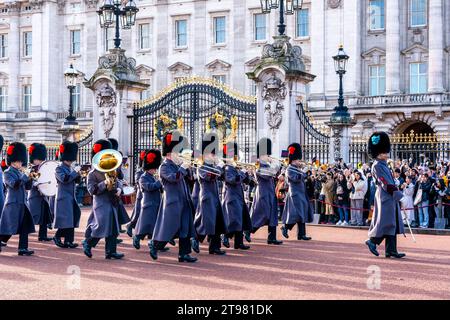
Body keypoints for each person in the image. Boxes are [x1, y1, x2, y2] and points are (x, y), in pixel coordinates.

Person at [149, 131, 197, 263]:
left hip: (184, 200)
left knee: (185, 229)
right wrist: (183, 168)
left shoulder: (177, 165)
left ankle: (184, 254)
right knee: (168, 228)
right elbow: (173, 178)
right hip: (172, 202)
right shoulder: (164, 167)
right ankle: (155, 244)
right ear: (171, 152)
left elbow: (190, 179)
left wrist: (189, 169)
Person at [365, 132, 406, 259]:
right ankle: (372, 241)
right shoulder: (377, 165)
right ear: (378, 152)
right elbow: (386, 183)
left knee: (392, 223)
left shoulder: (383, 164)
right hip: (385, 197)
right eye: (384, 151)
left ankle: (391, 250)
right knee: (387, 223)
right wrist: (399, 195)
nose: (386, 154)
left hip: (390, 196)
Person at [83, 139, 125, 259]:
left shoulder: (114, 169)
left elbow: (119, 181)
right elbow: (92, 190)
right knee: (101, 226)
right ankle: (88, 243)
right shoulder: (92, 173)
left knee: (113, 228)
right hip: (101, 202)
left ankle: (110, 251)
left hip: (113, 201)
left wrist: (119, 189)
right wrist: (104, 183)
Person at [193, 132, 227, 255]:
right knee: (206, 223)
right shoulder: (201, 166)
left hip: (214, 196)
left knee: (217, 223)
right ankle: (195, 238)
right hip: (206, 197)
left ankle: (214, 247)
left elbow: (222, 177)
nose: (213, 155)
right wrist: (219, 167)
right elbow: (210, 177)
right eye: (211, 153)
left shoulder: (212, 165)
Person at [0, 142, 35, 256]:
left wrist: (30, 178)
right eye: (17, 161)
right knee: (9, 228)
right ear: (12, 161)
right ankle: (1, 240)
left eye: (20, 161)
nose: (19, 163)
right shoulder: (7, 173)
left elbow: (28, 187)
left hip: (23, 203)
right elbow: (14, 184)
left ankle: (23, 248)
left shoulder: (21, 172)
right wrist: (25, 177)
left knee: (24, 225)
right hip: (13, 204)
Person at [249, 138, 282, 245]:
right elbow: (268, 174)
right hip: (263, 192)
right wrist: (275, 164)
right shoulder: (257, 164)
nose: (268, 156)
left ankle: (271, 237)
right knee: (262, 214)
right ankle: (248, 230)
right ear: (261, 155)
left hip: (270, 191)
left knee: (272, 215)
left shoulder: (266, 164)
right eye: (266, 154)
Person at [221, 141, 251, 251]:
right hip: (231, 197)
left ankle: (238, 243)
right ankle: (225, 237)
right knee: (233, 220)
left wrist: (246, 173)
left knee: (240, 220)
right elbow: (233, 180)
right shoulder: (227, 169)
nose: (236, 158)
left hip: (238, 196)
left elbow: (247, 181)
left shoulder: (235, 168)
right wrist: (242, 173)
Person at [133, 149, 164, 251]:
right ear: (148, 168)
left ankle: (154, 244)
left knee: (154, 226)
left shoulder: (153, 177)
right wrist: (159, 183)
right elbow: (149, 187)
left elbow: (158, 188)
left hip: (155, 203)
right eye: (153, 169)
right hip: (148, 204)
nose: (154, 170)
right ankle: (137, 238)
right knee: (144, 225)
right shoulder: (143, 177)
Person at [280, 143, 313, 241]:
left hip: (301, 193)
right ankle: (285, 227)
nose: (300, 162)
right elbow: (296, 178)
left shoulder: (297, 169)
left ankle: (301, 234)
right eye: (299, 160)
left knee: (301, 213)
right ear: (294, 160)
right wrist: (304, 172)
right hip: (294, 194)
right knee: (298, 213)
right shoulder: (289, 169)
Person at [53, 141, 82, 249]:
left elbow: (76, 181)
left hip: (71, 196)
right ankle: (57, 236)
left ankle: (69, 241)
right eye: (69, 159)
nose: (70, 161)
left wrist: (79, 175)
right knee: (66, 219)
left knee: (72, 218)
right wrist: (74, 172)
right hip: (63, 197)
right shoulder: (59, 168)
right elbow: (65, 179)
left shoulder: (70, 168)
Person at [27, 143, 53, 242]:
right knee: (32, 216)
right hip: (34, 196)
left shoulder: (44, 168)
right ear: (33, 159)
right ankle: (23, 233)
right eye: (38, 159)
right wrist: (35, 183)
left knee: (44, 217)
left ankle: (43, 235)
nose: (40, 161)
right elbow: (29, 182)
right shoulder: (31, 169)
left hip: (43, 196)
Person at [126, 150, 148, 238]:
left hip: (149, 196)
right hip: (141, 196)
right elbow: (138, 182)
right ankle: (130, 225)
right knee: (138, 214)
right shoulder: (140, 171)